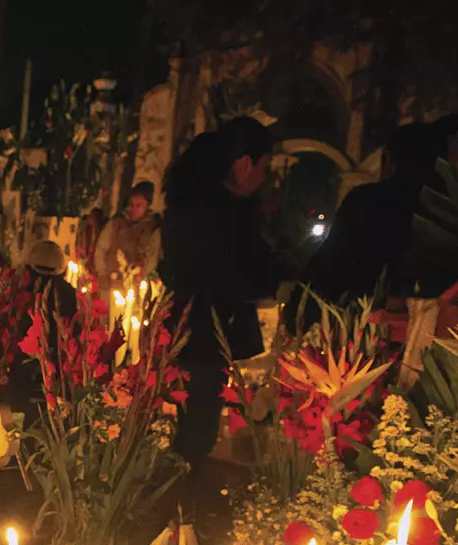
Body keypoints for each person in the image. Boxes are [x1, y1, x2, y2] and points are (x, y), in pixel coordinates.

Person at [159, 117, 278, 470]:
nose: (262, 179)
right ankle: (174, 507)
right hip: (210, 333)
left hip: (182, 328)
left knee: (184, 424)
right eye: (263, 167)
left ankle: (167, 501)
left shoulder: (183, 203)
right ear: (244, 164)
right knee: (197, 431)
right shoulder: (227, 213)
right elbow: (245, 274)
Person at [304, 123, 437, 305]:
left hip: (361, 308)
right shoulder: (442, 207)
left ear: (388, 161)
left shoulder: (367, 200)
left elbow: (330, 262)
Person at [93, 181, 161, 296]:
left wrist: (139, 277)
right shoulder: (117, 222)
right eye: (132, 204)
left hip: (134, 289)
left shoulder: (152, 228)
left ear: (147, 206)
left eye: (138, 205)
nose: (133, 209)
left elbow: (152, 259)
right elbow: (101, 247)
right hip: (110, 284)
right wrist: (102, 273)